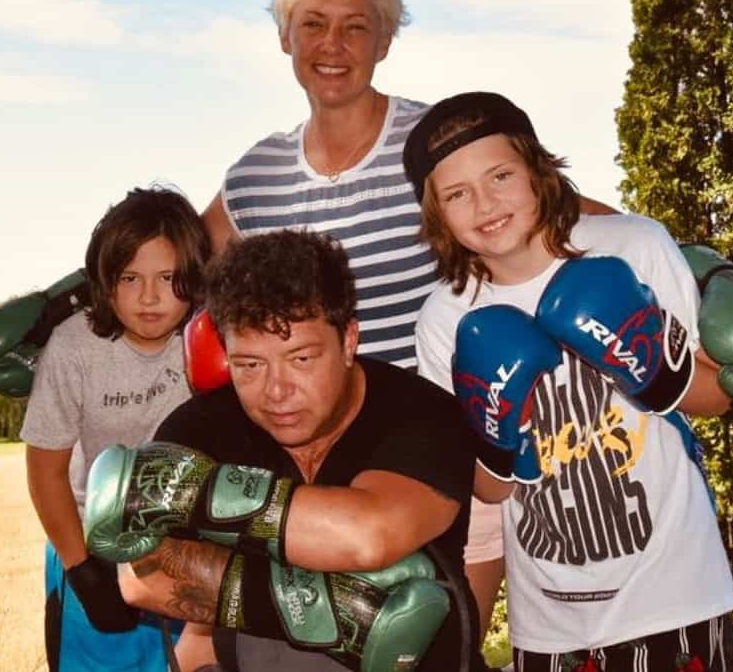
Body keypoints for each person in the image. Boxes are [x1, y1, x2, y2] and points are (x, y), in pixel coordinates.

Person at [197, 0, 609, 637]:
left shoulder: (433, 148)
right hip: (313, 464)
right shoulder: (253, 176)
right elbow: (171, 261)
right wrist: (59, 311)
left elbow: (560, 207)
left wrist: (708, 270)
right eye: (314, 25)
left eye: (358, 27)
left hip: (440, 447)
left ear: (386, 39)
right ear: (284, 37)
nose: (334, 46)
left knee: (439, 649)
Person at [403, 90, 733, 670]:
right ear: (436, 214)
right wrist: (496, 434)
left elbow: (718, 397)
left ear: (538, 171)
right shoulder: (445, 319)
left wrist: (656, 372)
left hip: (676, 596)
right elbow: (486, 490)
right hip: (551, 624)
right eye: (456, 194)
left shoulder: (634, 246)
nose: (485, 203)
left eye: (501, 175)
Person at [83, 229, 490, 671]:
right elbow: (143, 576)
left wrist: (196, 494)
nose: (277, 391)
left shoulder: (423, 412)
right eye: (250, 365)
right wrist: (327, 610)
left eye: (301, 359)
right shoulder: (203, 425)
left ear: (349, 341)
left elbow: (369, 534)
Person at [19, 187, 212, 671]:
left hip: (185, 553)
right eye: (130, 278)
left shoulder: (213, 339)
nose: (149, 297)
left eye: (168, 278)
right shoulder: (73, 347)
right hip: (86, 546)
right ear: (104, 283)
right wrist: (81, 569)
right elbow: (46, 471)